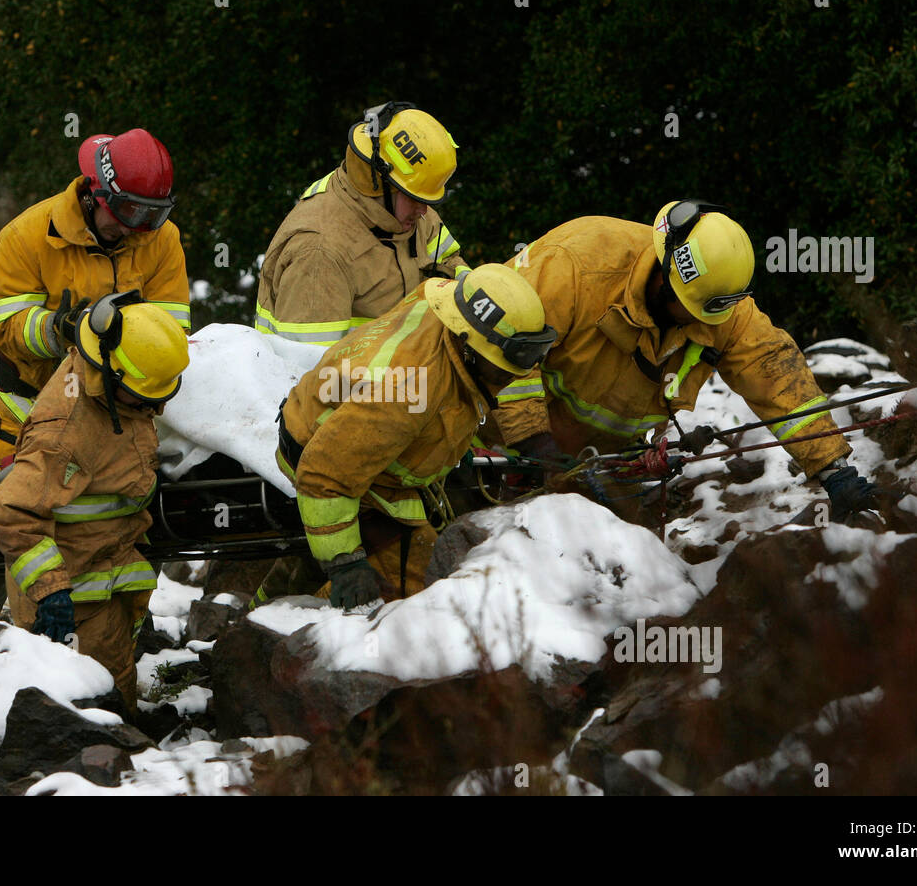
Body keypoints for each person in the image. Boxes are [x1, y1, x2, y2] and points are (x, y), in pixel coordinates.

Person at [500, 201, 879, 521]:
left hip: (591, 463)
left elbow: (776, 378)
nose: (703, 324)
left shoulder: (721, 304)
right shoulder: (578, 264)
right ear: (664, 278)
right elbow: (506, 346)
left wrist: (833, 471)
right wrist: (534, 444)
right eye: (693, 310)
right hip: (492, 438)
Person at [0, 129, 190, 617]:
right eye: (131, 213)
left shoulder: (159, 240)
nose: (140, 228)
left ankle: (98, 634)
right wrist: (60, 328)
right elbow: (3, 322)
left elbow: (174, 327)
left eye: (154, 214)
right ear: (96, 192)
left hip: (118, 412)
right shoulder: (27, 235)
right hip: (30, 412)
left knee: (108, 526)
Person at [276, 264, 555, 609]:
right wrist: (347, 563)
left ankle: (272, 601)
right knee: (422, 588)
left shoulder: (443, 302)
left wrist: (450, 449)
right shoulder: (407, 392)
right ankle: (307, 629)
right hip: (327, 461)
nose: (518, 372)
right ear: (469, 344)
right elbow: (324, 476)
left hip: (352, 434)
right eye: (510, 360)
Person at [0, 294, 189, 714]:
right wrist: (50, 591)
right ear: (112, 376)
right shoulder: (65, 433)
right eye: (144, 397)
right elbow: (10, 511)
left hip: (109, 570)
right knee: (96, 710)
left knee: (114, 689)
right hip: (75, 593)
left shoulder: (108, 378)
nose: (157, 407)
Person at [254, 102, 471, 349]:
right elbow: (311, 374)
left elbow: (450, 264)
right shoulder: (319, 253)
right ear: (378, 182)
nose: (425, 211)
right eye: (416, 199)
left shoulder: (404, 208)